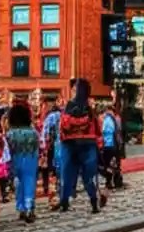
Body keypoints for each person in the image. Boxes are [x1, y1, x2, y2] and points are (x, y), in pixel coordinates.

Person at [58, 78, 105, 213]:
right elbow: (97, 130)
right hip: (87, 144)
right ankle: (93, 202)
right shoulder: (89, 110)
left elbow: (63, 126)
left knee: (67, 175)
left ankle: (64, 202)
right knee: (88, 177)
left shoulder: (68, 107)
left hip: (69, 144)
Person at [5, 103, 40, 222]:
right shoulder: (33, 133)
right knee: (29, 182)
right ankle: (29, 207)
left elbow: (8, 150)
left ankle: (21, 208)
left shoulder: (10, 134)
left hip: (16, 160)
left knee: (18, 183)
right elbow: (38, 147)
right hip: (30, 160)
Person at [39, 99, 62, 208]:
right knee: (59, 168)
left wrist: (44, 146)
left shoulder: (49, 118)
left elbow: (45, 133)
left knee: (47, 168)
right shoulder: (62, 116)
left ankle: (47, 187)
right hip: (62, 145)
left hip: (50, 146)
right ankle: (60, 186)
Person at [99, 105, 122, 190]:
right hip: (113, 144)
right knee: (112, 163)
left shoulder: (108, 120)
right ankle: (113, 181)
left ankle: (109, 181)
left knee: (108, 164)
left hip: (108, 144)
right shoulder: (113, 119)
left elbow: (105, 131)